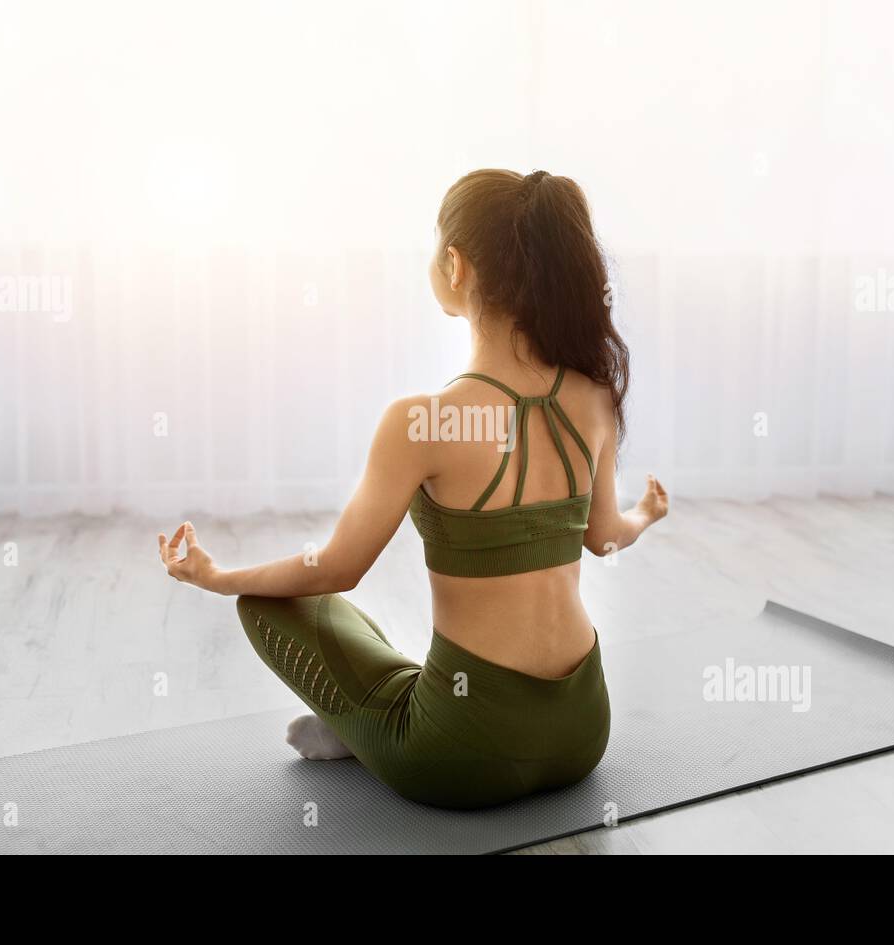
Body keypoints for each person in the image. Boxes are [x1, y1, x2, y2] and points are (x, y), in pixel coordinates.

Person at [159, 169, 668, 808]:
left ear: (455, 266)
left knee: (266, 603)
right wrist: (644, 514)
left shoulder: (422, 422)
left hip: (461, 758)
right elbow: (603, 539)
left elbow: (336, 569)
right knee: (400, 657)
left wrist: (216, 576)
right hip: (582, 732)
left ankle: (359, 731)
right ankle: (374, 721)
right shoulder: (592, 396)